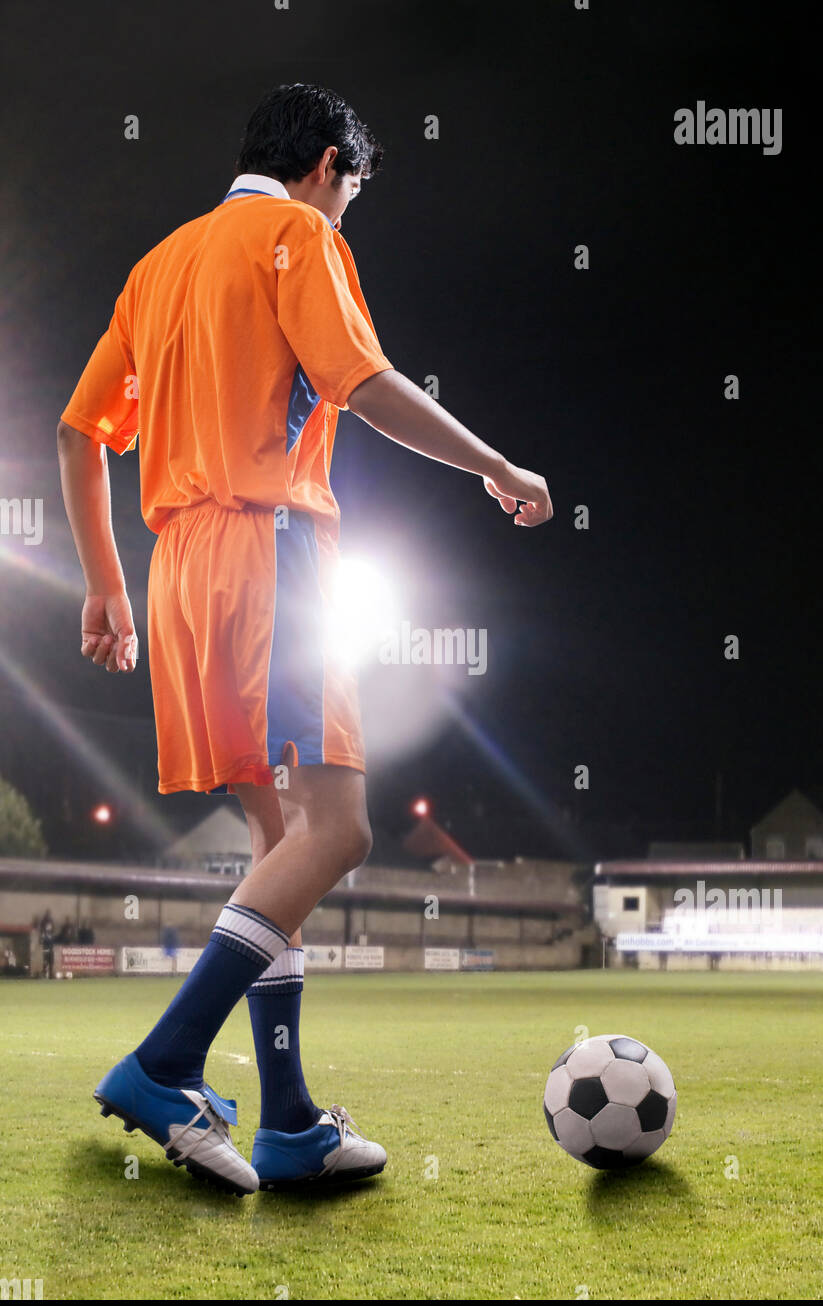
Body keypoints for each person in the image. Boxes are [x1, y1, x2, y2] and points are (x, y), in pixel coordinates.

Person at [57, 82, 552, 1195]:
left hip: (177, 569)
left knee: (280, 835)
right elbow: (362, 383)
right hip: (270, 550)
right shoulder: (295, 234)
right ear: (329, 164)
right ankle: (164, 1062)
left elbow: (79, 430)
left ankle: (286, 1120)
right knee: (340, 831)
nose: (347, 217)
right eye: (353, 195)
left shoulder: (161, 262)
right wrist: (497, 469)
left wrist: (104, 591)